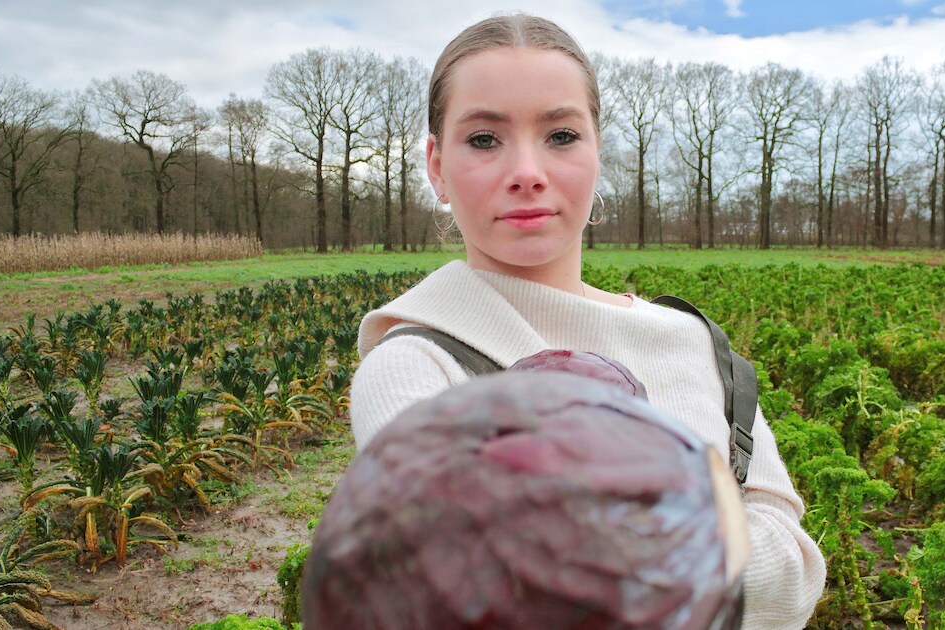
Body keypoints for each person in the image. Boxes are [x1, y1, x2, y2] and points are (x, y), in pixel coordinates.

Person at [350, 13, 826, 629]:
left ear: (598, 153)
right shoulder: (413, 366)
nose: (527, 171)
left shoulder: (694, 343)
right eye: (485, 140)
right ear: (438, 167)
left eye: (562, 135)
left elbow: (788, 582)